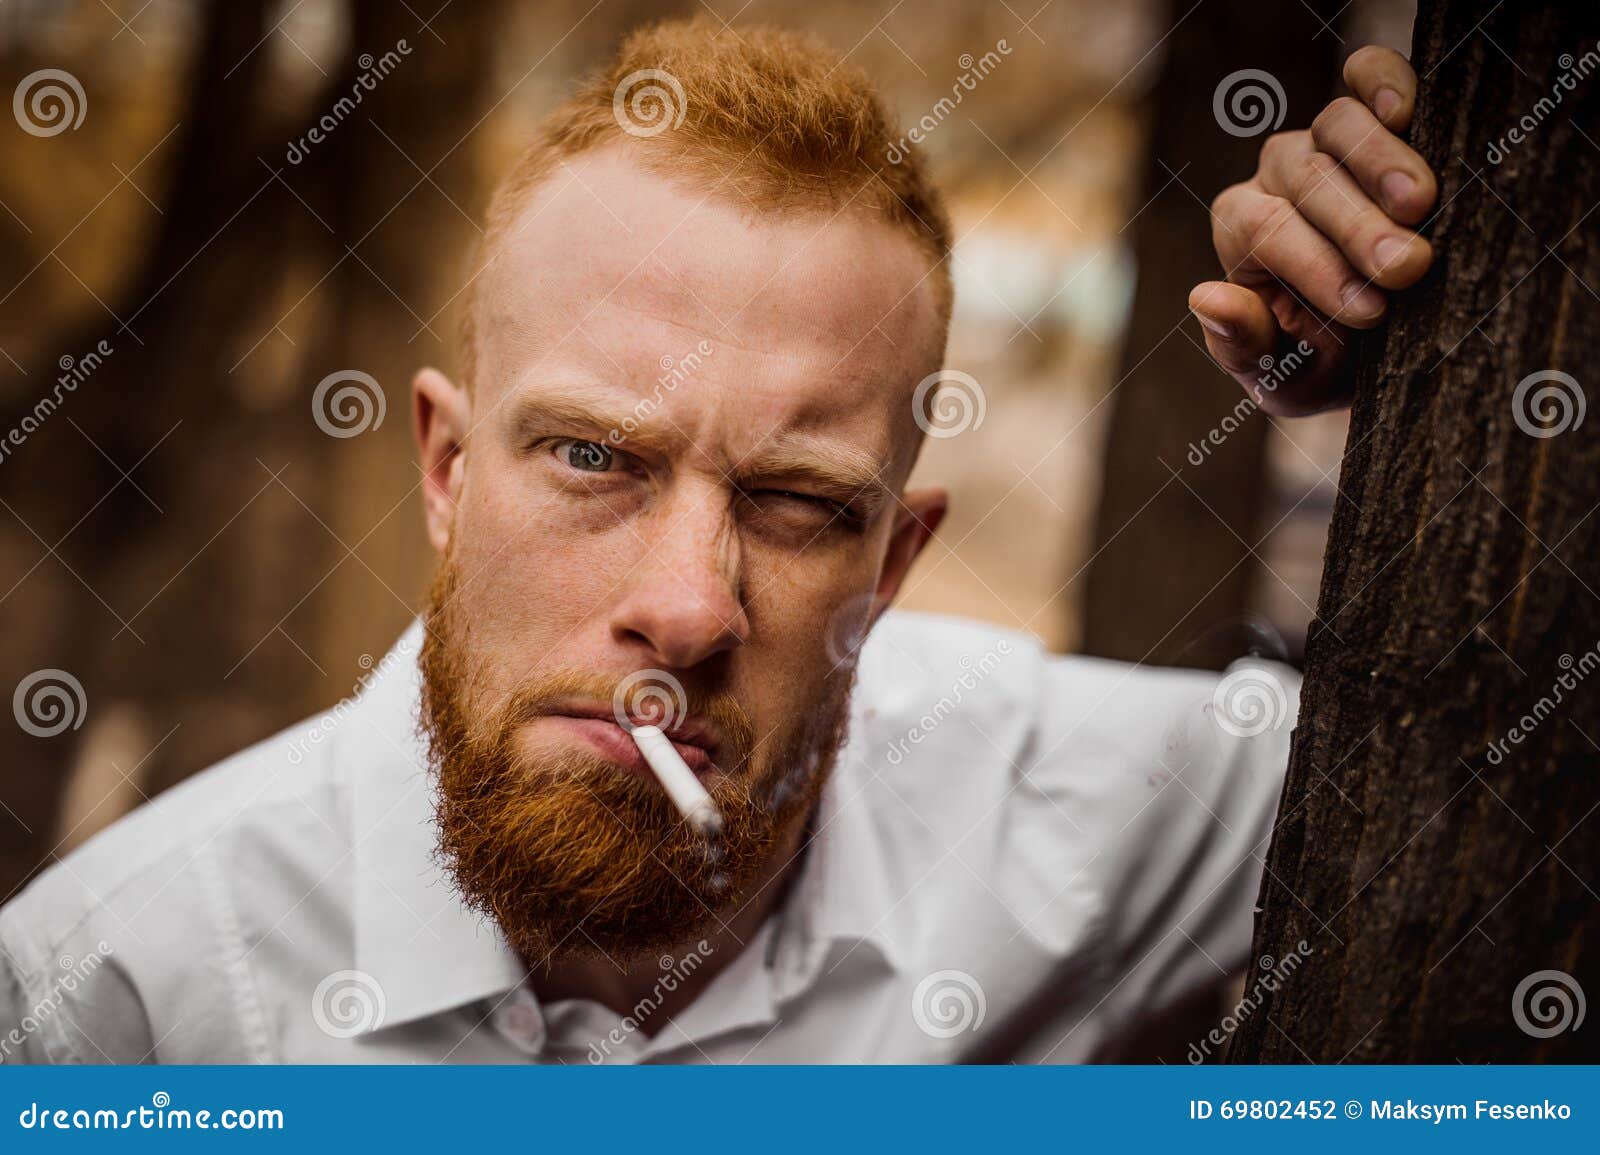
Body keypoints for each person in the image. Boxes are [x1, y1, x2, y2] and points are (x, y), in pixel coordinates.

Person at [0, 23, 1435, 1063]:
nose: (689, 611)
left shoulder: (1089, 817)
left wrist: (1435, 385)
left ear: (892, 566)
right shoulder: (110, 1002)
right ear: (446, 470)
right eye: (590, 458)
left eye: (801, 504)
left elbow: (1505, 770)